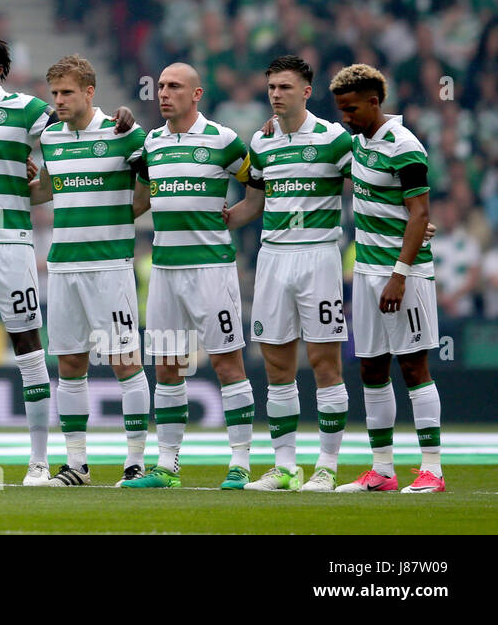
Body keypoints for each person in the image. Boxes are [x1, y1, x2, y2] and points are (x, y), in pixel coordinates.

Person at [0, 33, 133, 485]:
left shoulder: (28, 110)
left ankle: (39, 461)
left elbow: (75, 126)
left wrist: (120, 118)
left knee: (28, 349)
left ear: (0, 69)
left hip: (10, 245)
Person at [122, 62, 256, 490]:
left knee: (226, 363)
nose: (164, 93)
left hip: (211, 269)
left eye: (174, 86)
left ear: (196, 95)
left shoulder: (223, 141)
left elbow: (261, 184)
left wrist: (236, 217)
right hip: (163, 270)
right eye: (160, 86)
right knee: (167, 366)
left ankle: (240, 464)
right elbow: (139, 200)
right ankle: (166, 466)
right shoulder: (151, 144)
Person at [222, 56, 353, 492]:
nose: (276, 94)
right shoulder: (261, 144)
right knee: (277, 364)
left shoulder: (335, 140)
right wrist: (208, 219)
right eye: (271, 87)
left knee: (323, 363)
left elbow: (368, 189)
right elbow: (252, 206)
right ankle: (285, 467)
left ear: (306, 91)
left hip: (318, 257)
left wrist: (409, 219)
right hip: (273, 258)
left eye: (284, 87)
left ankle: (328, 466)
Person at [27, 55, 150, 486]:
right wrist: (21, 184)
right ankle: (77, 464)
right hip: (63, 267)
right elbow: (48, 187)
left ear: (89, 92)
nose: (58, 101)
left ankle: (135, 463)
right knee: (70, 364)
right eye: (54, 93)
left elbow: (150, 184)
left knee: (124, 361)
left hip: (110, 267)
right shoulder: (51, 138)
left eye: (66, 93)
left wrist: (122, 212)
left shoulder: (123, 132)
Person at [327, 65, 444, 493]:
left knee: (413, 366)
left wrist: (400, 274)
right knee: (371, 368)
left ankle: (432, 469)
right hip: (365, 273)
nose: (346, 117)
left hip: (404, 274)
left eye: (352, 108)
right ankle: (383, 470)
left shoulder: (405, 146)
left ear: (375, 102)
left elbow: (421, 214)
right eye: (341, 109)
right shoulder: (358, 142)